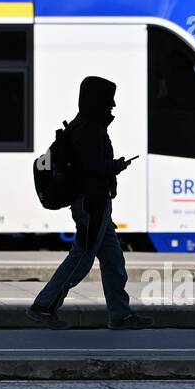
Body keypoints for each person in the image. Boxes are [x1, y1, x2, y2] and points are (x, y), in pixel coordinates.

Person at [27, 76, 154, 330]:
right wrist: (115, 166)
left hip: (97, 203)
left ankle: (120, 315)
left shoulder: (84, 125)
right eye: (109, 99)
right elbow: (90, 167)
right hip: (92, 203)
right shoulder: (90, 129)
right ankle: (44, 306)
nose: (113, 105)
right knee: (82, 258)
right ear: (97, 99)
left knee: (114, 260)